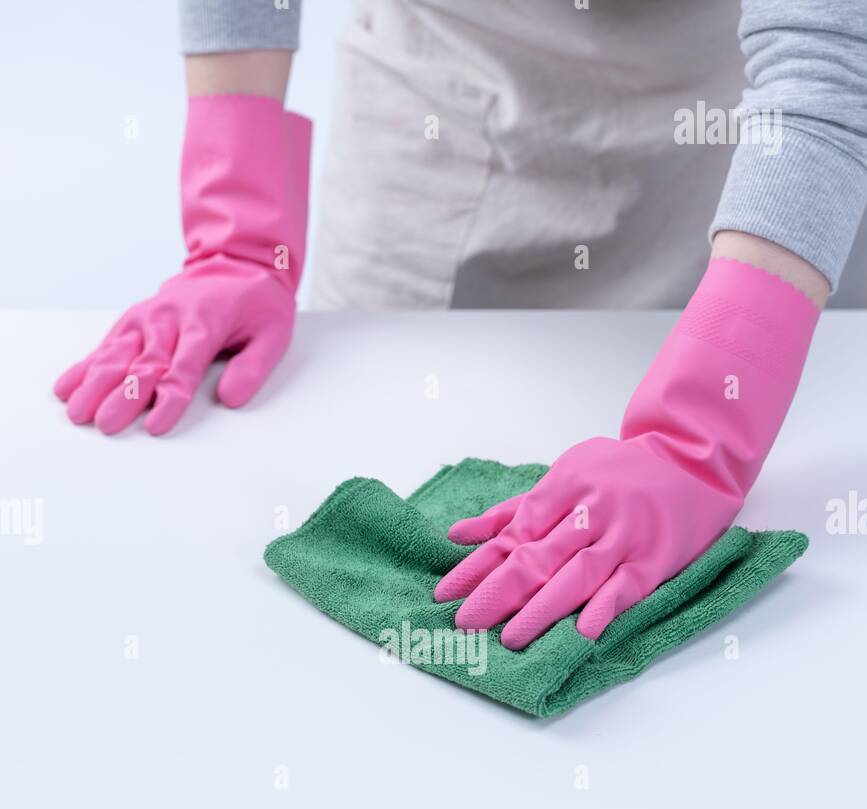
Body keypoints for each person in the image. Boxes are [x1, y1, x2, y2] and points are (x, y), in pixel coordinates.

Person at [54, 1, 867, 641]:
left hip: (748, 156)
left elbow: (822, 62)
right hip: (438, 119)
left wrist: (700, 434)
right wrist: (236, 236)